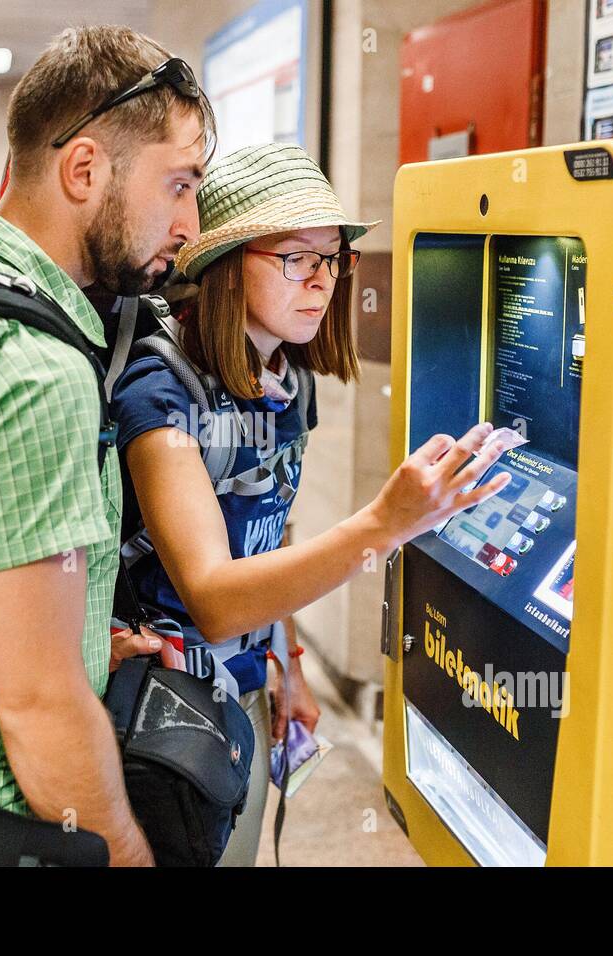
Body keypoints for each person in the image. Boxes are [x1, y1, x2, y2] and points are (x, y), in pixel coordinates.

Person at [0, 26, 214, 866]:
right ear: (84, 169)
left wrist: (85, 630)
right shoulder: (32, 370)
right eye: (179, 185)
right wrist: (126, 852)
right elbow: (37, 704)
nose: (192, 225)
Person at [111, 143, 512, 865]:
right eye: (296, 257)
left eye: (334, 259)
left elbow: (269, 537)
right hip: (163, 710)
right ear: (224, 264)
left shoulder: (287, 377)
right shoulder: (160, 394)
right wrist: (383, 526)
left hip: (247, 685)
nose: (323, 282)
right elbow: (213, 596)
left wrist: (287, 659)